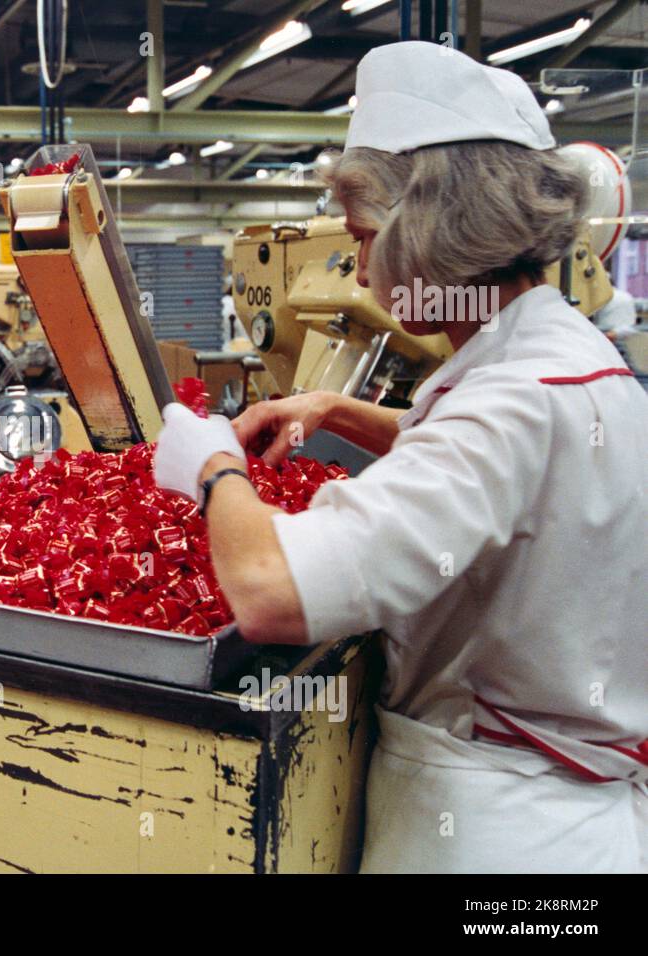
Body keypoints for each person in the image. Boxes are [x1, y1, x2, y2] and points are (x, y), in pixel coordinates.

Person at [152, 41, 647, 873]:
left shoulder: (507, 403)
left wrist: (212, 467)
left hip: (498, 839)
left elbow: (270, 590)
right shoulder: (574, 360)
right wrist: (340, 408)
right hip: (577, 821)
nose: (361, 264)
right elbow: (513, 479)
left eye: (364, 238)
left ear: (428, 235)